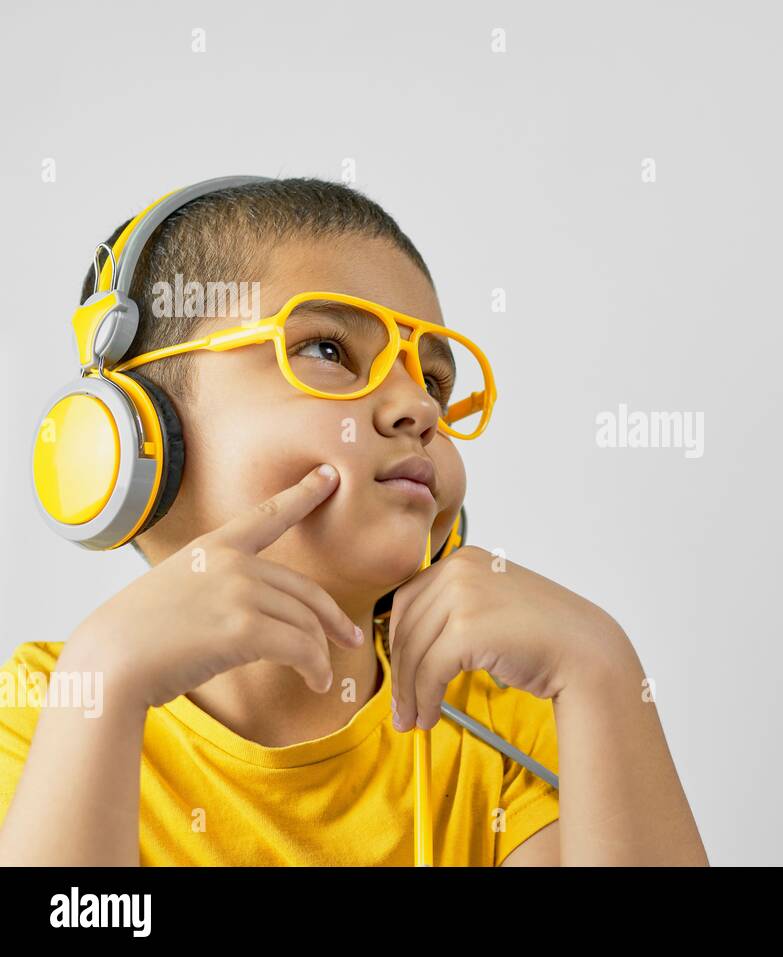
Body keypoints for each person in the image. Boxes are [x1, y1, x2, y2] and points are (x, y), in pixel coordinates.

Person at [0, 177, 708, 866]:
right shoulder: (42, 713)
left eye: (432, 380)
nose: (420, 409)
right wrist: (103, 684)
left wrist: (602, 671)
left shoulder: (511, 726)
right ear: (131, 435)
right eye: (329, 350)